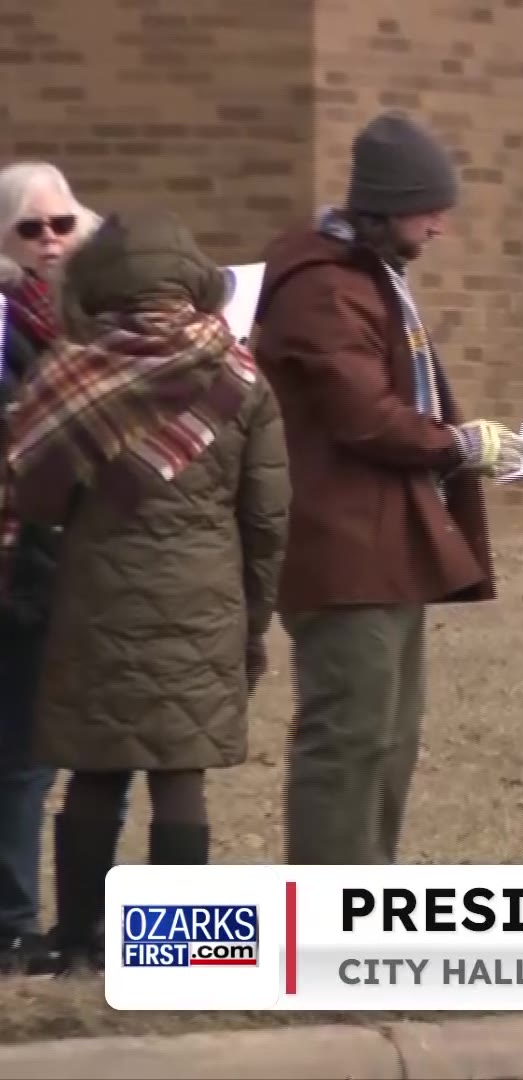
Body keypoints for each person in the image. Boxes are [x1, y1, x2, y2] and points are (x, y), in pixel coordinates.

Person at [1, 210, 289, 973]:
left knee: (95, 771)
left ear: (97, 283)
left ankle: (77, 943)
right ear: (195, 279)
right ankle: (172, 951)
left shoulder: (70, 370)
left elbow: (35, 495)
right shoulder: (238, 375)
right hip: (204, 600)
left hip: (92, 601)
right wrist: (251, 616)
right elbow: (266, 516)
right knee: (178, 774)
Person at [254, 111, 523, 865]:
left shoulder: (367, 278)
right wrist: (456, 445)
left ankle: (367, 895)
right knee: (351, 738)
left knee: (389, 737)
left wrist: (454, 444)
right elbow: (362, 415)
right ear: (384, 207)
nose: (440, 226)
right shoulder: (323, 289)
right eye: (427, 210)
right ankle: (327, 911)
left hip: (380, 546)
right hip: (341, 550)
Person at [0, 160, 99, 970]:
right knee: (21, 753)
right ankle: (12, 920)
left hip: (70, 557)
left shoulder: (84, 322)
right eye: (29, 228)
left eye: (62, 223)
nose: (49, 240)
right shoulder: (11, 327)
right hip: (17, 560)